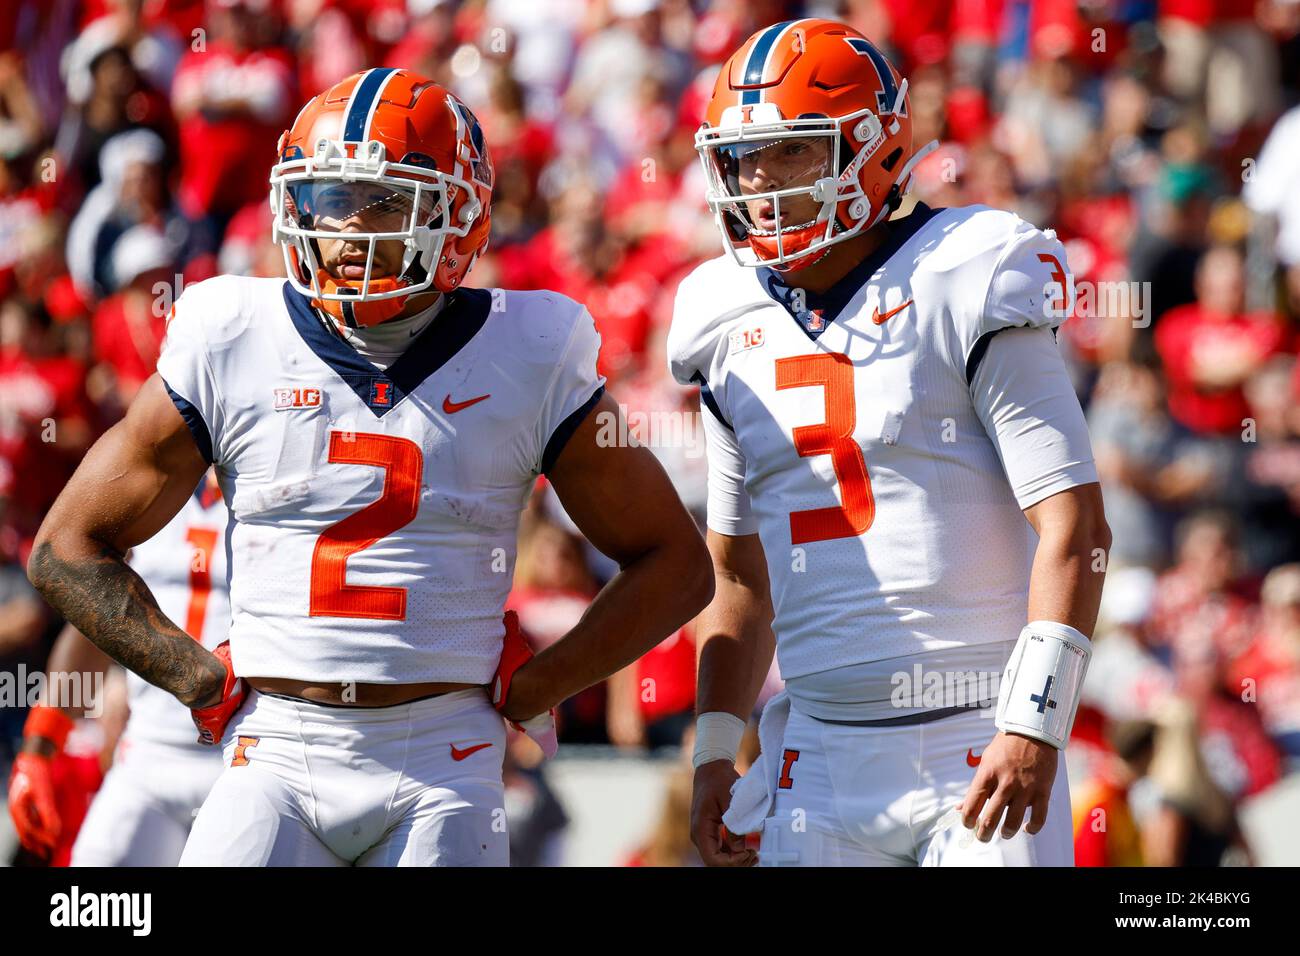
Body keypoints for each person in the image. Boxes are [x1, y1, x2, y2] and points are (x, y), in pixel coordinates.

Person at [26, 68, 713, 867]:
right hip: (272, 747)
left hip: (444, 759)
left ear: (460, 213)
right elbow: (66, 547)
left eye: (382, 201)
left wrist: (544, 685)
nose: (348, 229)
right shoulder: (231, 331)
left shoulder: (531, 348)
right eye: (327, 200)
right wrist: (197, 680)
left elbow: (674, 563)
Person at [670, 19, 1110, 867]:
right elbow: (738, 575)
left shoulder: (969, 267)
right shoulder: (720, 316)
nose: (760, 183)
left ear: (870, 149)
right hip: (820, 751)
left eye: (790, 153)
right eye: (744, 158)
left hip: (978, 735)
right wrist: (713, 750)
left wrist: (1035, 722)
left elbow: (1078, 528)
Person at [8, 472, 228, 865]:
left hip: (245, 758)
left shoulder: (279, 474)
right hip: (146, 753)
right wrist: (39, 746)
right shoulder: (147, 471)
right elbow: (101, 616)